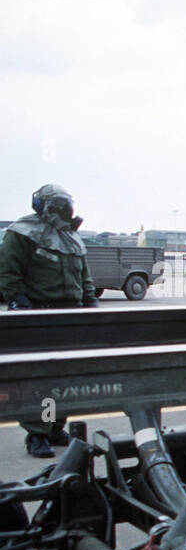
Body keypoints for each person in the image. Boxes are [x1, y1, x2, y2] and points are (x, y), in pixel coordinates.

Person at [0, 184, 97, 457]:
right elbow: (9, 270)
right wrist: (19, 301)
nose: (65, 210)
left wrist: (91, 302)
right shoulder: (23, 232)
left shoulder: (71, 237)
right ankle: (37, 433)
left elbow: (84, 275)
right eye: (57, 205)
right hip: (40, 314)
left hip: (71, 314)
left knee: (67, 377)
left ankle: (56, 426)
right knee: (41, 378)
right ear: (43, 206)